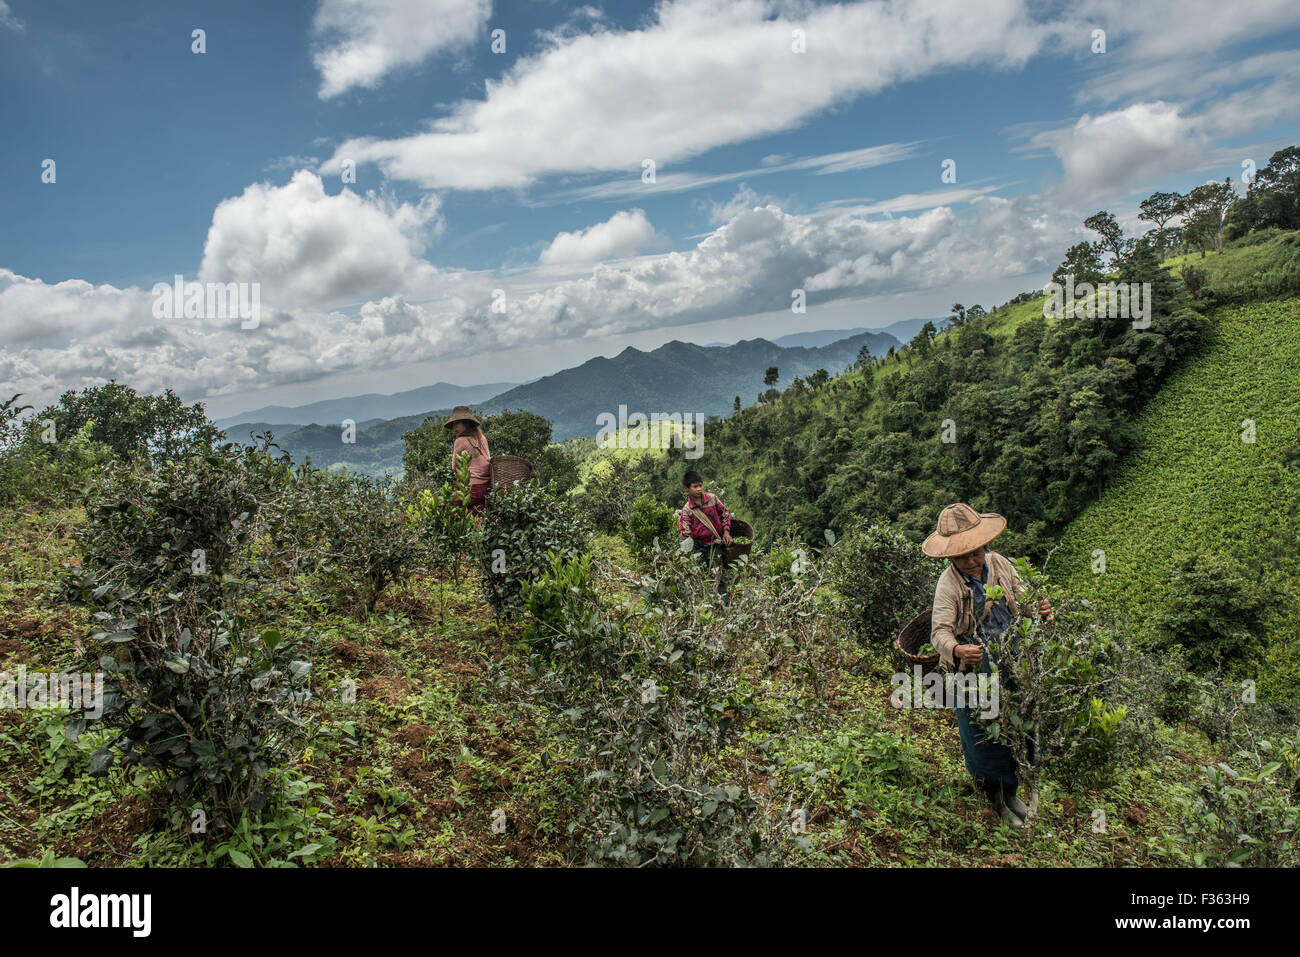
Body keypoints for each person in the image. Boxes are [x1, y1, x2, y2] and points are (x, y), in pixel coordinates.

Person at [922, 502, 1053, 829]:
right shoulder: (948, 584)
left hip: (1012, 661)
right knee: (984, 737)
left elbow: (1024, 602)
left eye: (976, 553)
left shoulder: (1001, 565)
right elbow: (938, 632)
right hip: (974, 673)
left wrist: (1041, 609)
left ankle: (1012, 793)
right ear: (950, 557)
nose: (971, 561)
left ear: (985, 546)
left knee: (1016, 730)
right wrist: (958, 649)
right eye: (963, 556)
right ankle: (995, 799)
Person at [677, 470, 732, 604]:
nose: (699, 489)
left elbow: (725, 514)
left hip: (715, 544)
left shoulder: (712, 499)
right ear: (687, 488)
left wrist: (726, 532)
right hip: (699, 547)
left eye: (700, 485)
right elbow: (686, 534)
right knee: (701, 578)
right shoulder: (687, 510)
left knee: (719, 577)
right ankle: (707, 605)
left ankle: (725, 606)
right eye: (695, 486)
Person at [444, 406, 490, 516]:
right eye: (453, 424)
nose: (454, 427)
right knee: (480, 517)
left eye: (457, 423)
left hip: (472, 489)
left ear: (466, 423)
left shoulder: (460, 441)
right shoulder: (482, 437)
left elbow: (454, 467)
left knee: (447, 509)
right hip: (488, 487)